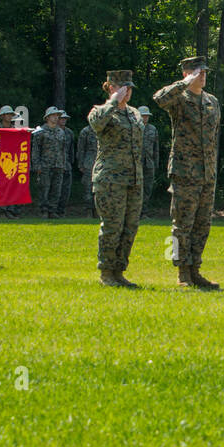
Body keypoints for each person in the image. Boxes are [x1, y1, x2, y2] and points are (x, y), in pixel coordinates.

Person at [153, 56, 221, 289]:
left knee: (202, 224)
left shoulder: (212, 101)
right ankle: (182, 272)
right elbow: (159, 98)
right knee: (182, 223)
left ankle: (195, 269)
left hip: (207, 172)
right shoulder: (179, 99)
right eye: (197, 72)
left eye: (204, 73)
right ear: (187, 73)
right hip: (184, 171)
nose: (202, 76)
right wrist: (184, 83)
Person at [89, 71, 146, 286]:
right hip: (110, 179)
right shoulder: (100, 112)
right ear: (111, 87)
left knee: (129, 227)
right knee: (112, 226)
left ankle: (119, 271)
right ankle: (106, 272)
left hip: (133, 179)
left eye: (129, 88)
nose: (127, 91)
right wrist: (113, 101)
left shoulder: (134, 114)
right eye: (123, 87)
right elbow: (96, 124)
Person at [31, 107, 65, 218]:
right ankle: (43, 210)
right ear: (47, 117)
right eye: (53, 115)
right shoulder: (40, 131)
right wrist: (36, 165)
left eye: (57, 115)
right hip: (45, 164)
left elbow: (63, 149)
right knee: (44, 188)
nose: (56, 117)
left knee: (56, 189)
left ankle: (52, 210)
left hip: (58, 164)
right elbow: (35, 149)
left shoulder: (61, 131)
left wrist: (63, 163)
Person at [139, 106, 159, 211]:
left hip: (149, 164)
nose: (145, 118)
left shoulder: (153, 129)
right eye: (143, 116)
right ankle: (135, 212)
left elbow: (156, 148)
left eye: (147, 116)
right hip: (137, 164)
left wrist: (156, 163)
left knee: (148, 188)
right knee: (137, 188)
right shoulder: (134, 127)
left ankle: (144, 211)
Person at [77, 117, 98, 214]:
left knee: (99, 188)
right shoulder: (85, 131)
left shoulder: (104, 130)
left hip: (101, 163)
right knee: (88, 187)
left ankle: (97, 210)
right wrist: (81, 164)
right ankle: (89, 210)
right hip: (88, 163)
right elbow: (81, 149)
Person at [57, 112, 74, 217]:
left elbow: (71, 149)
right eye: (61, 118)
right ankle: (52, 210)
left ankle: (61, 210)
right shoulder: (52, 131)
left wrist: (71, 162)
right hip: (55, 164)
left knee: (66, 190)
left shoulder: (69, 133)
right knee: (55, 189)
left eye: (65, 119)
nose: (63, 120)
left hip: (66, 164)